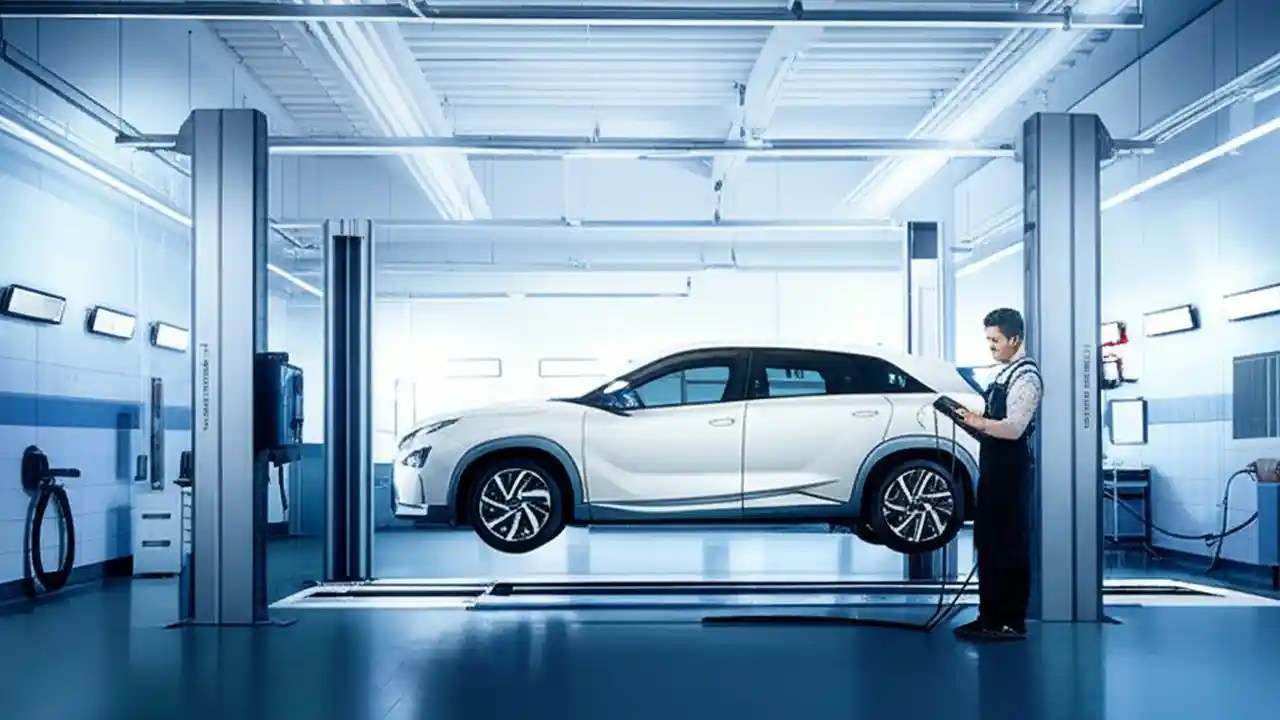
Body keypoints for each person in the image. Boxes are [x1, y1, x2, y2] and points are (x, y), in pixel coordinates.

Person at [953, 307, 1042, 641]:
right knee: (987, 542)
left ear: (1014, 339)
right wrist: (968, 421)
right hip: (992, 465)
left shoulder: (1027, 378)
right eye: (988, 339)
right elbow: (994, 427)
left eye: (995, 340)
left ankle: (1010, 622)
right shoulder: (1003, 374)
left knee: (1008, 544)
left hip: (1011, 469)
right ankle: (988, 617)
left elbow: (1014, 429)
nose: (990, 346)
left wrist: (980, 422)